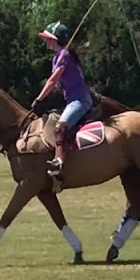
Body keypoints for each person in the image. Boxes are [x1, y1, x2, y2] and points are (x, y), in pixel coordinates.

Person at [32, 20, 93, 177]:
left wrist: (39, 99)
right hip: (71, 101)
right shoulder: (57, 58)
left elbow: (52, 80)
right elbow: (57, 85)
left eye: (47, 37)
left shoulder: (64, 56)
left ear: (54, 39)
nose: (45, 40)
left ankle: (59, 161)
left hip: (80, 100)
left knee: (60, 127)